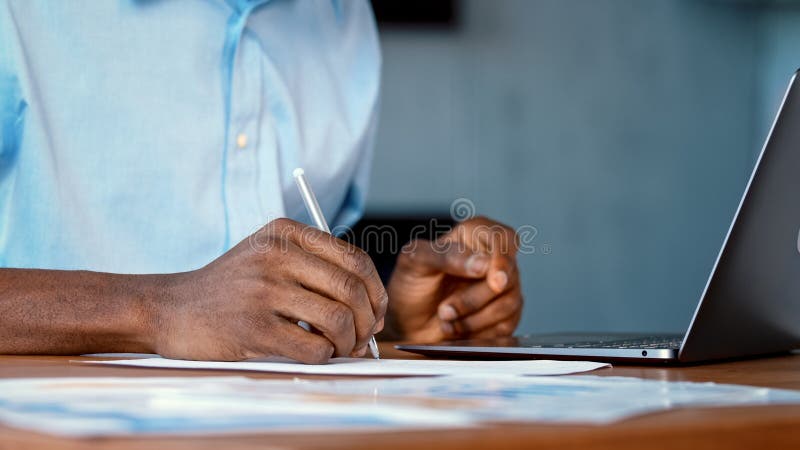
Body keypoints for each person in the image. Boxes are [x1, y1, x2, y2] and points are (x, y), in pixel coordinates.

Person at [0, 0, 522, 363]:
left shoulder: (343, 21)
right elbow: (211, 308)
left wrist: (387, 321)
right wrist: (161, 308)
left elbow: (269, 303)